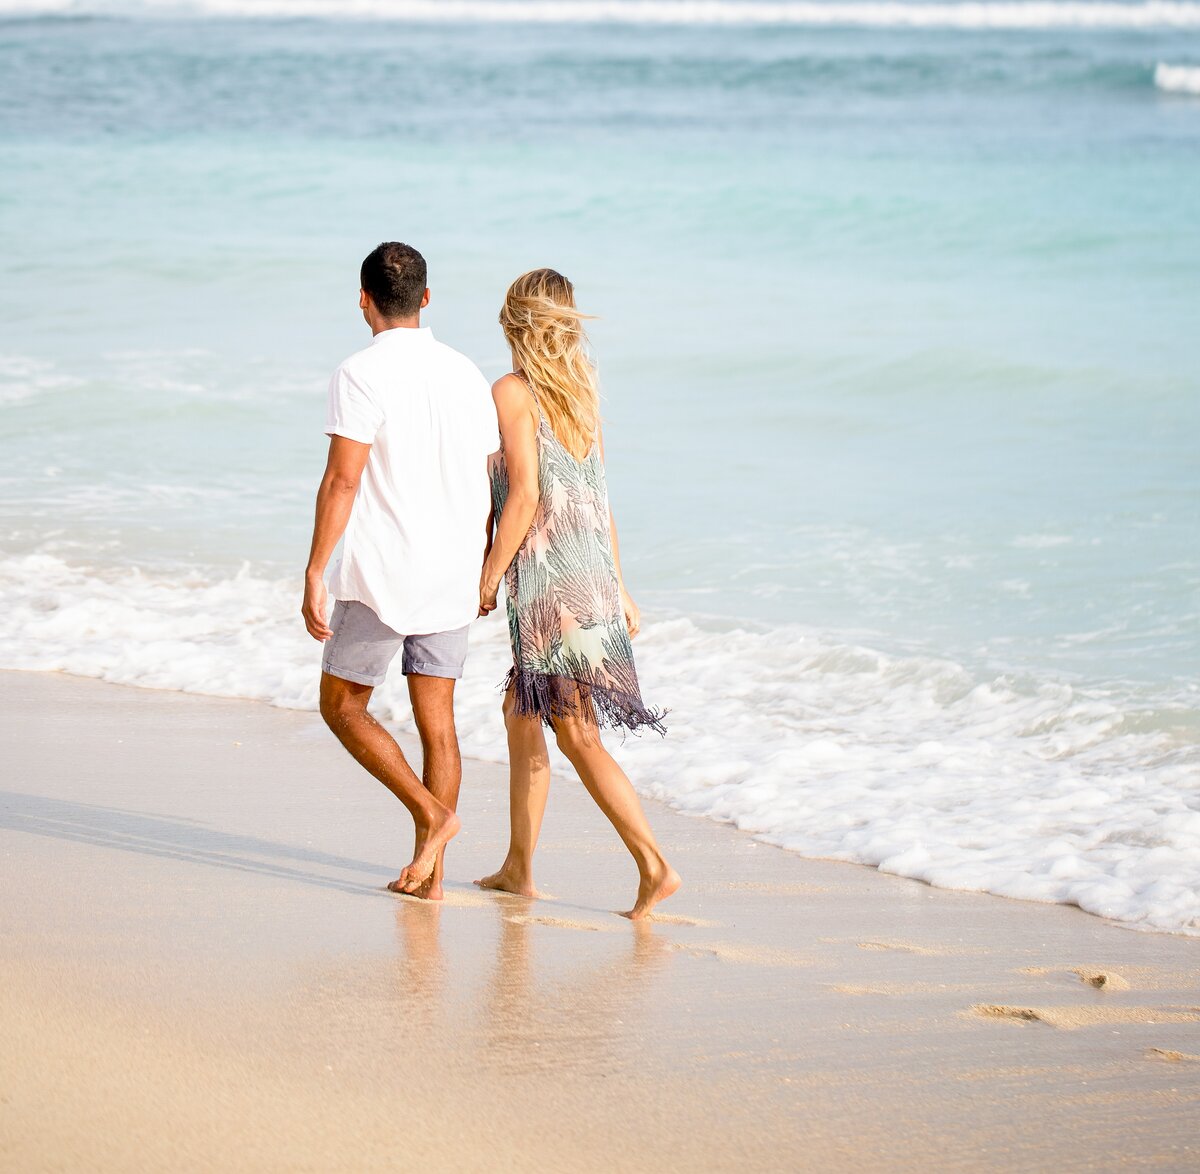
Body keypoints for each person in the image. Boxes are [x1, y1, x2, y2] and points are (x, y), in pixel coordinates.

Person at [474, 268, 680, 920]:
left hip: (550, 586)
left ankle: (654, 865)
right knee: (523, 713)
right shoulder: (580, 397)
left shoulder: (512, 392)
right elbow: (600, 505)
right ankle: (518, 865)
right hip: (589, 578)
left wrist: (486, 573)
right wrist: (620, 589)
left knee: (578, 733)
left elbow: (528, 494)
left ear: (513, 322)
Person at [301, 242, 497, 899]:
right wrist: (490, 562)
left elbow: (341, 480)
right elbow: (495, 475)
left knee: (341, 705)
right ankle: (430, 879)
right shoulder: (467, 373)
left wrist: (314, 570)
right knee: (437, 720)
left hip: (387, 571)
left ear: (363, 299)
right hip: (456, 569)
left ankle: (430, 814)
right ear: (427, 297)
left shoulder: (359, 372)